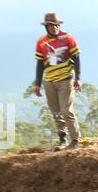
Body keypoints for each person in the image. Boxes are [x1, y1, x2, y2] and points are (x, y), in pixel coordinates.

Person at [32, 12, 82, 150]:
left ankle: (75, 140)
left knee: (66, 110)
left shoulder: (68, 38)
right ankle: (62, 139)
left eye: (56, 25)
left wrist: (78, 78)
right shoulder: (41, 42)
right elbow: (40, 63)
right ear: (46, 27)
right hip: (49, 81)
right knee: (56, 112)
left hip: (66, 79)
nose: (54, 28)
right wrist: (37, 84)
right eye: (50, 25)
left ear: (59, 25)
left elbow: (76, 58)